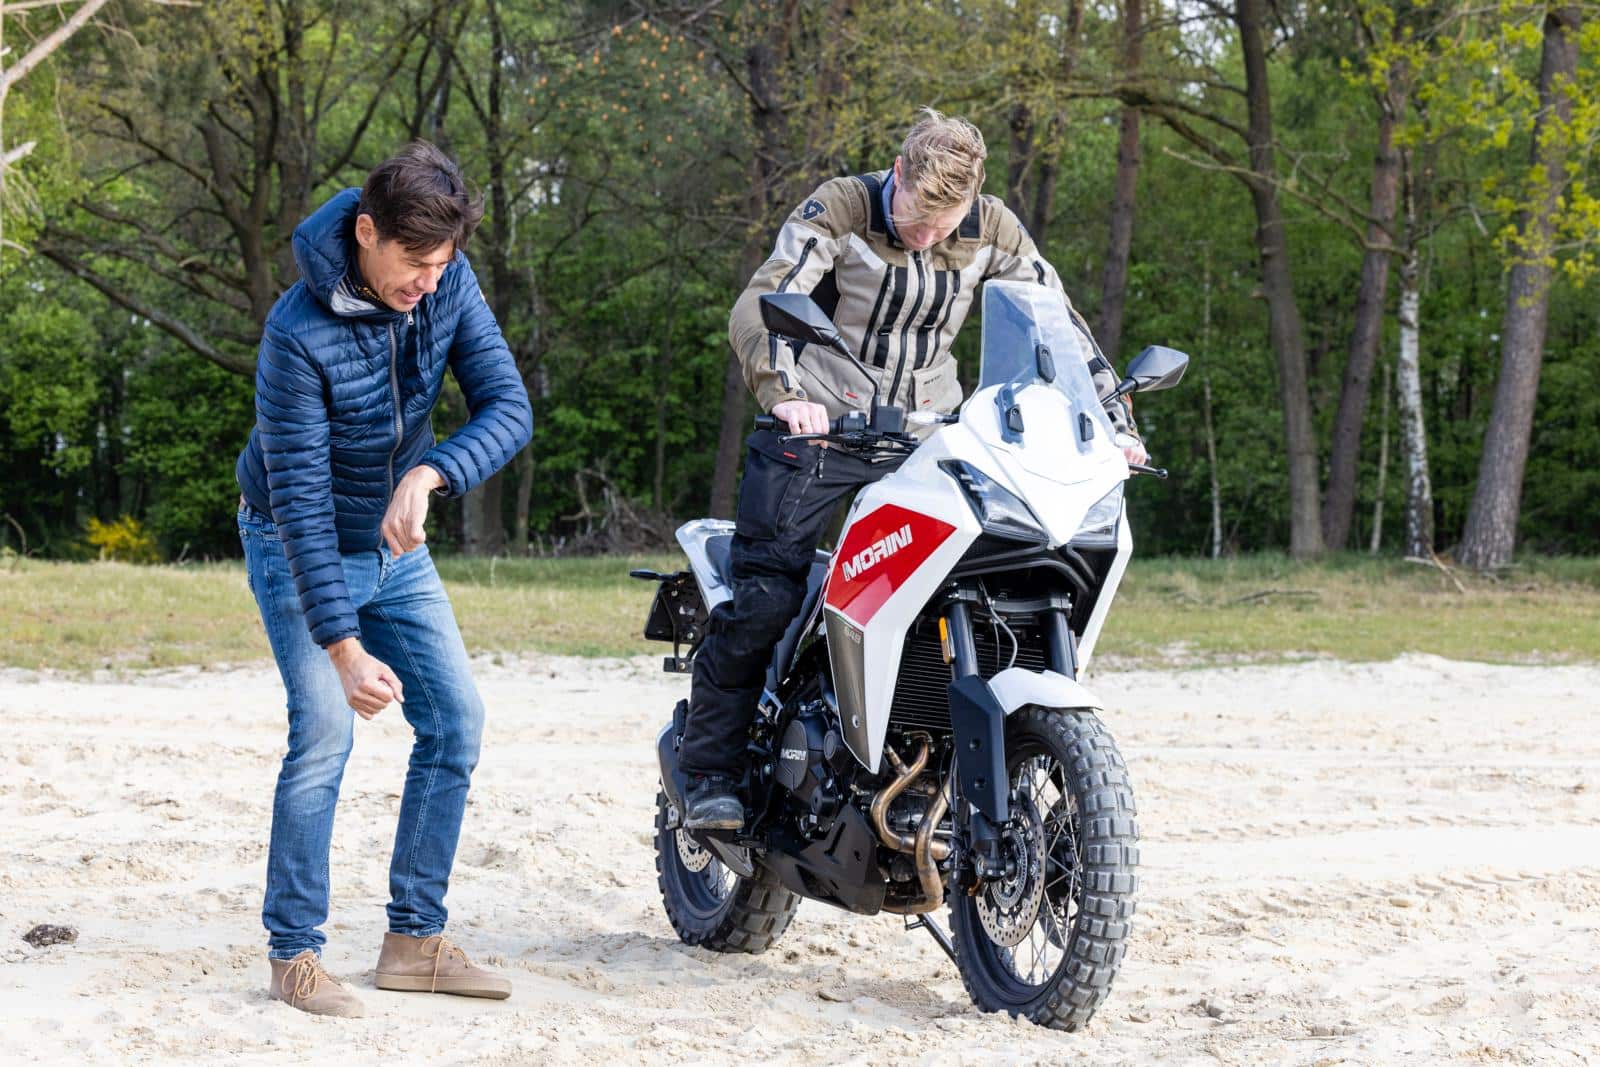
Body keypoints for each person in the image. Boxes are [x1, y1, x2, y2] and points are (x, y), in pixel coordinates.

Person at [679, 108, 1145, 830]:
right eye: (915, 217)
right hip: (822, 426)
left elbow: (1058, 324)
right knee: (768, 595)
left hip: (928, 434)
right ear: (897, 172)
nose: (926, 235)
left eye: (942, 223)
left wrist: (1112, 425)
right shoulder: (842, 208)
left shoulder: (992, 228)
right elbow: (764, 302)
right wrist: (785, 392)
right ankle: (709, 771)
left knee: (978, 581)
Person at [234, 141, 533, 1015]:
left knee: (457, 719)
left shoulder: (447, 281)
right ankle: (294, 954)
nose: (429, 284)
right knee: (326, 731)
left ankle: (413, 942)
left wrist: (431, 473)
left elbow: (509, 406)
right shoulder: (295, 333)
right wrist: (344, 647)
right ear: (367, 233)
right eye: (415, 263)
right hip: (296, 538)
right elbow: (299, 502)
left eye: (443, 265)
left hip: (394, 541)